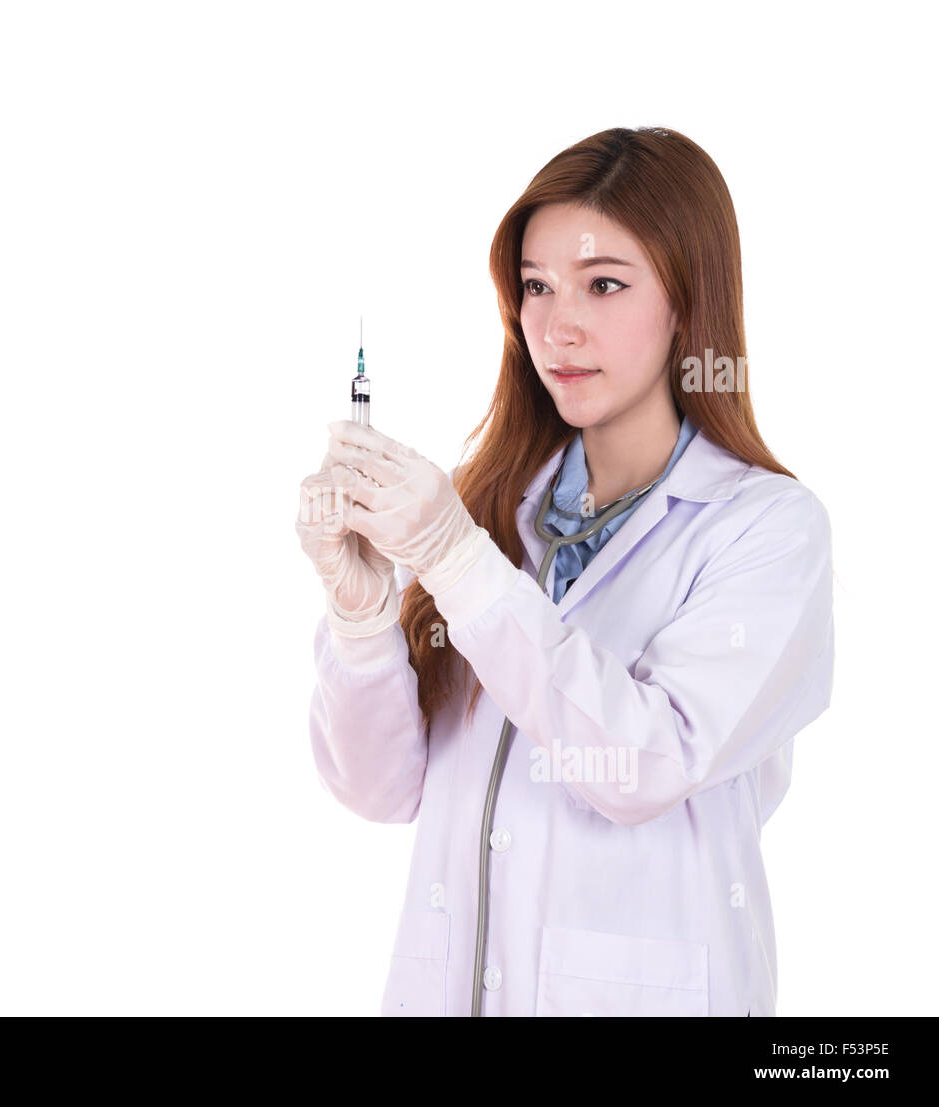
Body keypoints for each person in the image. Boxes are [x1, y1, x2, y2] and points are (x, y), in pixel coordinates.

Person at [295, 126, 834, 1018]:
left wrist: (457, 561)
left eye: (605, 284)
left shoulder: (766, 531)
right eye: (536, 287)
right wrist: (360, 623)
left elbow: (642, 765)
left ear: (689, 305)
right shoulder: (493, 506)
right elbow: (380, 789)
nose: (556, 325)